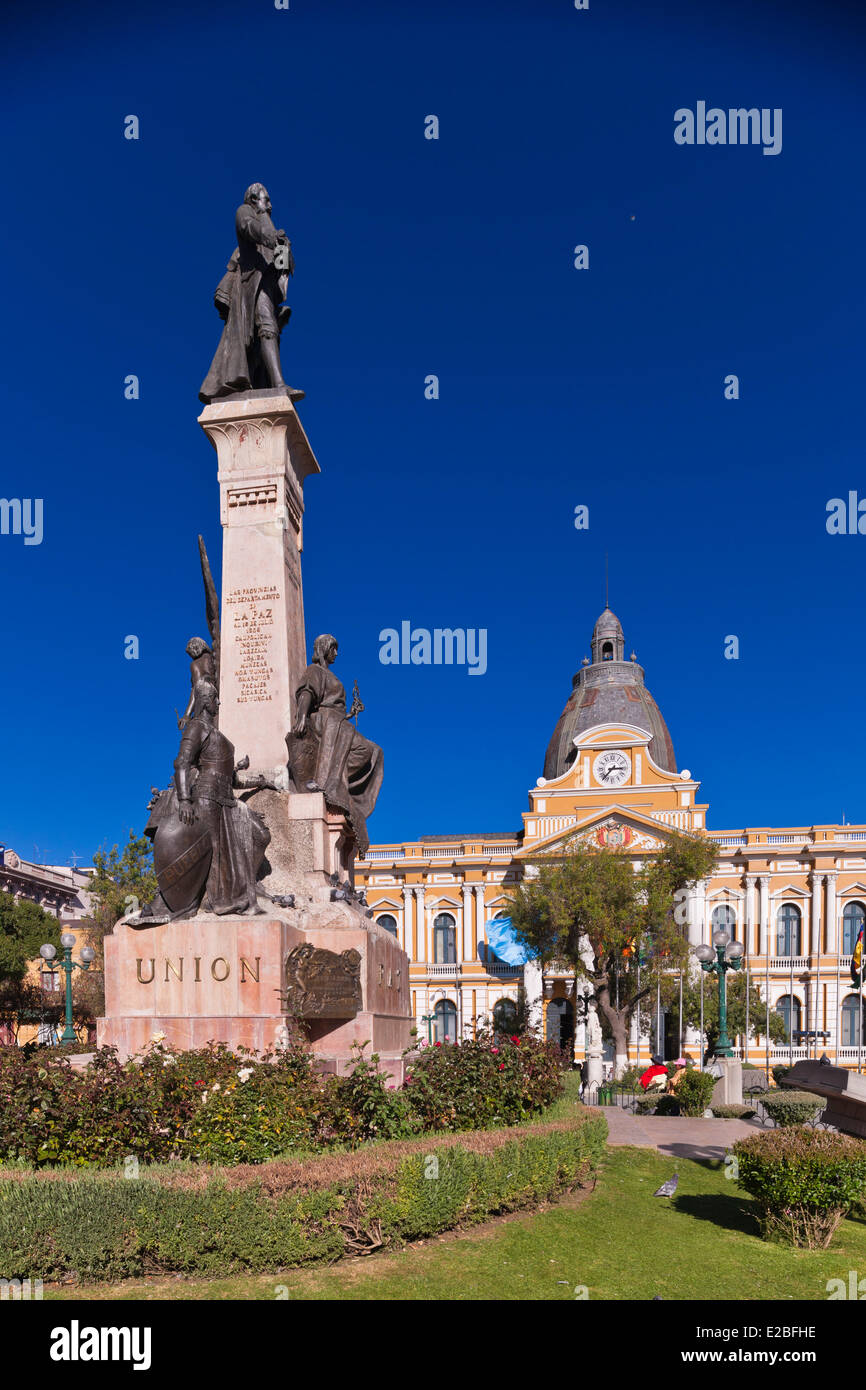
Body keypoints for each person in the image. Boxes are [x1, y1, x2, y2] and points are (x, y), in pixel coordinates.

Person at [137, 679, 270, 922]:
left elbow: (233, 779)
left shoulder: (219, 735)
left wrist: (261, 782)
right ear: (205, 700)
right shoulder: (196, 727)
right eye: (215, 697)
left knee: (261, 835)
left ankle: (241, 886)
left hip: (227, 800)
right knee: (210, 853)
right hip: (206, 797)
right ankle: (208, 899)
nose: (218, 702)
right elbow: (182, 763)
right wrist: (186, 800)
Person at [287, 634, 383, 856]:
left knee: (375, 752)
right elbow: (306, 693)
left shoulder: (329, 673)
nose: (336, 653)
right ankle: (331, 782)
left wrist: (350, 713)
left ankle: (336, 780)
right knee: (365, 749)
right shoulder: (315, 671)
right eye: (333, 648)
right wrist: (301, 717)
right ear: (324, 649)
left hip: (337, 722)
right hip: (325, 722)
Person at [199, 184, 295, 402]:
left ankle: (272, 384)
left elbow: (282, 267)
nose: (270, 205)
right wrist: (268, 227)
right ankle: (279, 385)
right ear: (253, 199)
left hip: (266, 289)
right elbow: (251, 230)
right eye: (265, 200)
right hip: (249, 287)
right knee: (265, 327)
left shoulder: (270, 229)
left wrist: (284, 248)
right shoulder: (245, 212)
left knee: (264, 333)